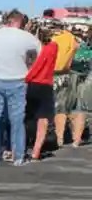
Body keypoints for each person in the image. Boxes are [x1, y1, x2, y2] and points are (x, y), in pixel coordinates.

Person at [0, 10, 41, 165]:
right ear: (19, 22)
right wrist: (30, 69)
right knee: (17, 119)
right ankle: (18, 156)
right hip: (18, 80)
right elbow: (40, 52)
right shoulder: (26, 37)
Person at [24, 28, 58, 161]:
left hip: (33, 83)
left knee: (29, 116)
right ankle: (36, 150)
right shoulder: (53, 47)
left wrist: (26, 78)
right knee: (43, 118)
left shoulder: (35, 49)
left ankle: (26, 145)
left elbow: (36, 66)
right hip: (46, 84)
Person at [49, 23, 81, 146]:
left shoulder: (51, 38)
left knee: (57, 107)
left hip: (52, 74)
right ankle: (70, 138)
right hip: (68, 74)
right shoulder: (70, 38)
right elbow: (74, 51)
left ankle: (58, 137)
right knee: (68, 106)